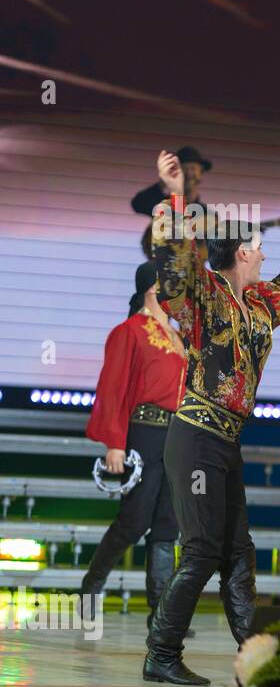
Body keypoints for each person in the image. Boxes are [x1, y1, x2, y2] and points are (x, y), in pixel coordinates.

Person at [143, 149, 280, 685]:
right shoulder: (203, 298)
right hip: (194, 435)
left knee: (238, 547)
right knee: (201, 550)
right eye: (259, 248)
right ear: (241, 252)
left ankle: (258, 656)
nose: (264, 256)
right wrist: (174, 197)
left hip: (226, 440)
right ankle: (161, 654)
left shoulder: (256, 305)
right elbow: (172, 271)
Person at [79, 261, 187, 631]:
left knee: (167, 525)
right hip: (144, 432)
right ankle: (91, 587)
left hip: (176, 437)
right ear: (153, 287)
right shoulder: (130, 331)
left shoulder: (177, 335)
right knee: (135, 518)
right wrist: (114, 443)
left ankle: (161, 613)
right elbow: (112, 388)